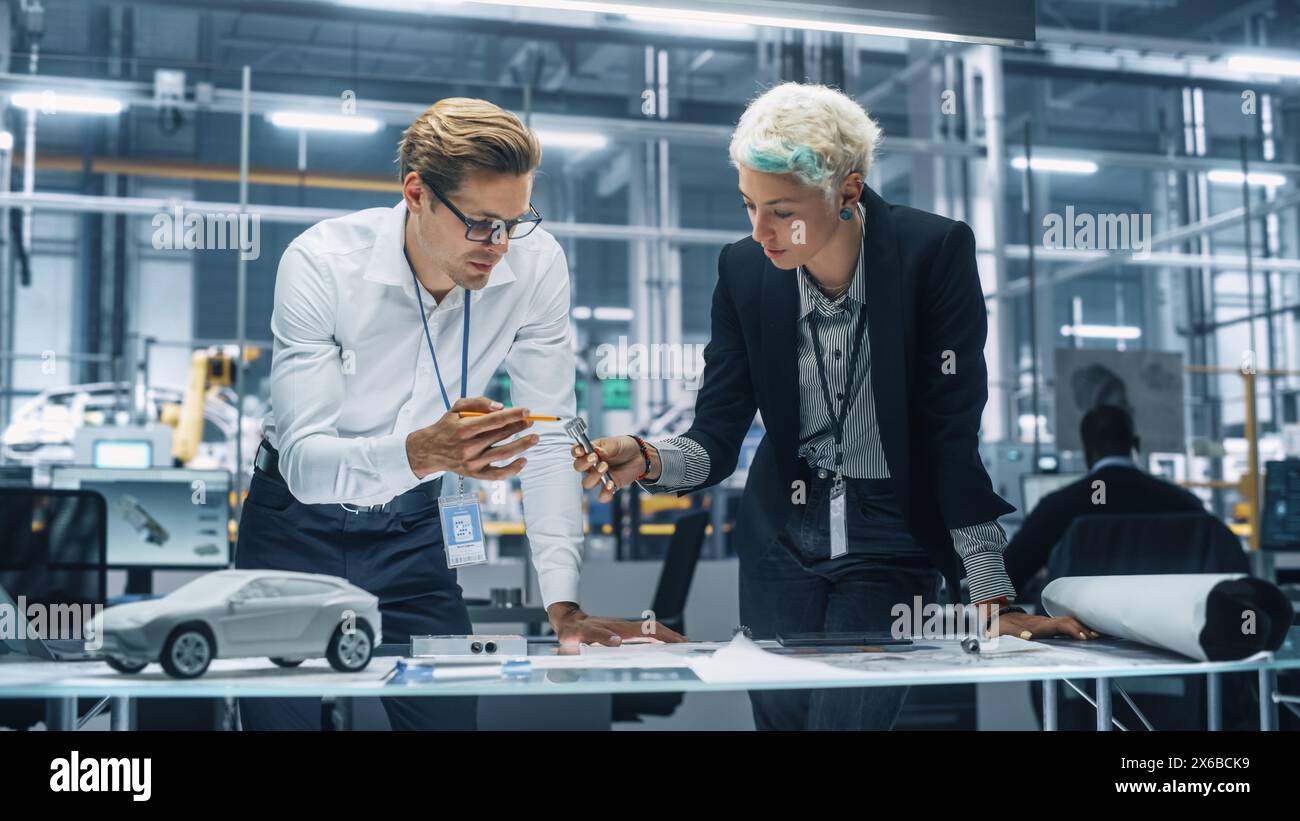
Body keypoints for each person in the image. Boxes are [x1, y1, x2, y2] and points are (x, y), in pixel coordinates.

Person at [572, 83, 1093, 731]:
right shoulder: (744, 271)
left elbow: (949, 438)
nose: (759, 232)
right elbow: (716, 439)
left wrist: (990, 594)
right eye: (748, 206)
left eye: (780, 210)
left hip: (890, 536)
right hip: (779, 537)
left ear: (847, 191)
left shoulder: (931, 255)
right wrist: (646, 457)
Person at [236, 97, 682, 732]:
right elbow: (306, 465)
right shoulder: (322, 264)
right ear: (416, 193)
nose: (499, 245)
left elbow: (547, 439)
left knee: (443, 716)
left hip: (416, 533)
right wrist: (423, 453)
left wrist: (563, 601)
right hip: (293, 530)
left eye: (515, 221)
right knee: (281, 723)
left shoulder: (535, 264)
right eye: (479, 223)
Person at [1004, 403, 1206, 591]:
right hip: (1165, 625)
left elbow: (1006, 578)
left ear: (1086, 452)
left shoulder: (1058, 507)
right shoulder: (1185, 504)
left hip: (1077, 627)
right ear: (1136, 444)